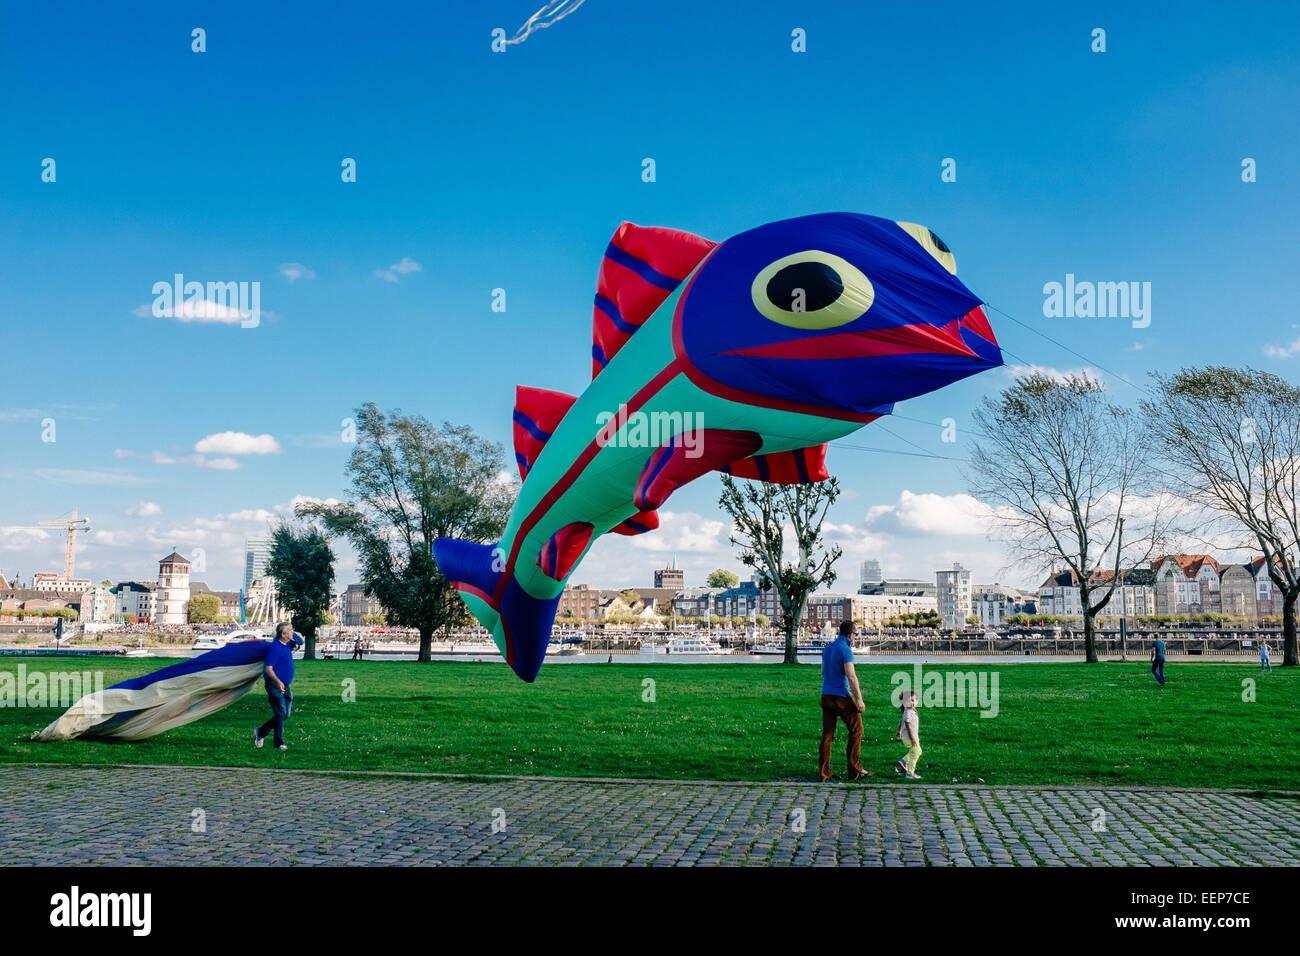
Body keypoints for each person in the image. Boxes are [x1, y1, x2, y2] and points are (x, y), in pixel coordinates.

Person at [818, 620, 870, 781]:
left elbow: (822, 671)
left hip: (825, 695)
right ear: (850, 634)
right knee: (857, 730)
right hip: (841, 696)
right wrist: (859, 699)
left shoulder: (828, 648)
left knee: (827, 734)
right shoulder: (845, 650)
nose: (855, 637)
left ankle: (824, 772)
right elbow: (851, 676)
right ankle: (854, 770)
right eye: (855, 634)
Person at [255, 623, 301, 751]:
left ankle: (261, 731)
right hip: (274, 684)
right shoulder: (274, 648)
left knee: (285, 715)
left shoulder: (287, 645)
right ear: (283, 634)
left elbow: (300, 641)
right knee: (280, 713)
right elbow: (269, 669)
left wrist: (291, 632)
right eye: (290, 631)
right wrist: (278, 682)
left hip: (285, 685)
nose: (292, 632)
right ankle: (278, 743)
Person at [896, 689, 922, 779]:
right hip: (909, 737)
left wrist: (898, 731)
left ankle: (903, 761)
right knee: (915, 753)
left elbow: (901, 721)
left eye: (913, 700)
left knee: (917, 751)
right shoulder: (908, 712)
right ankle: (910, 773)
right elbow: (907, 725)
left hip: (911, 736)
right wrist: (912, 738)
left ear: (917, 701)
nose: (911, 703)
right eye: (909, 701)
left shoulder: (909, 710)